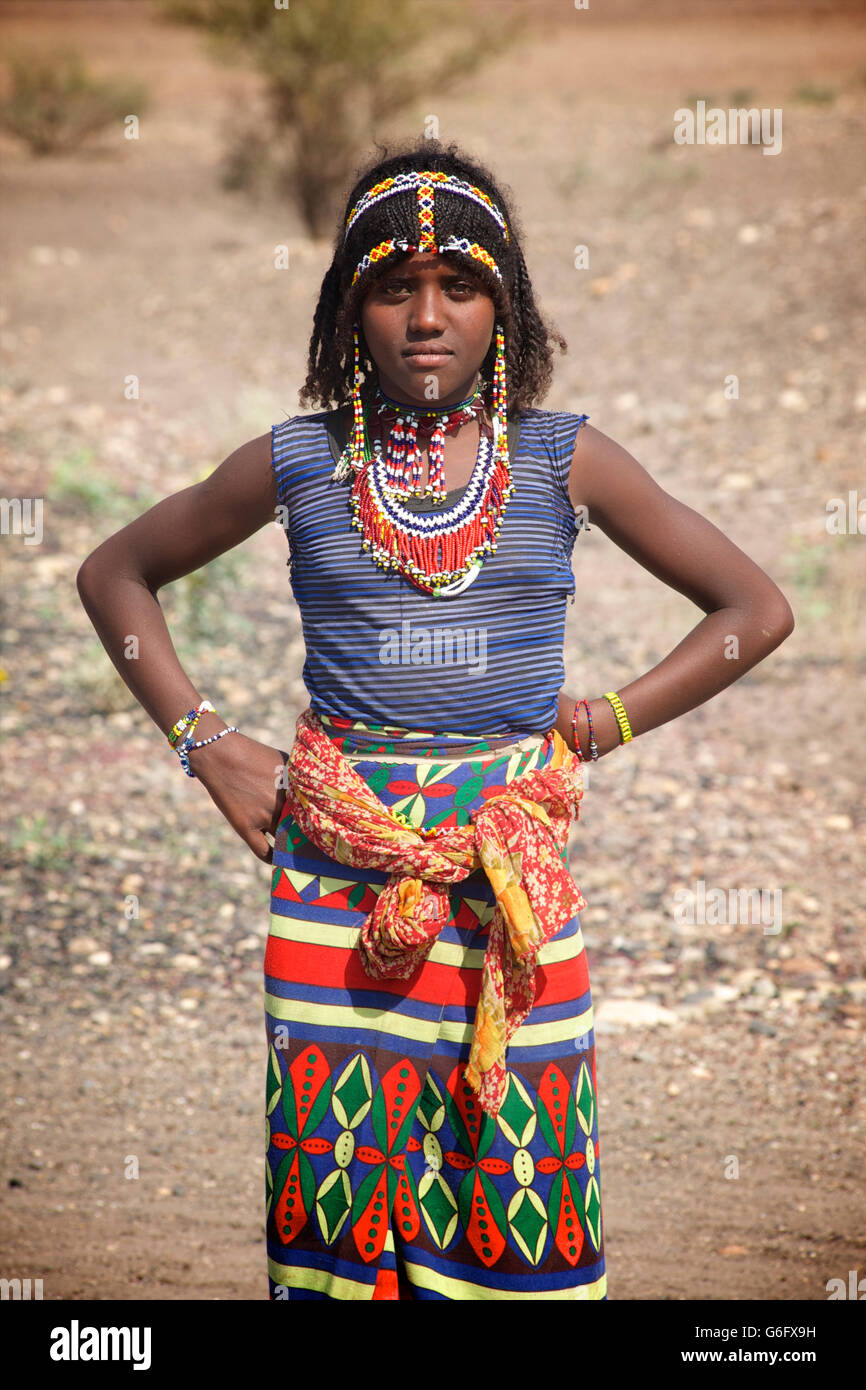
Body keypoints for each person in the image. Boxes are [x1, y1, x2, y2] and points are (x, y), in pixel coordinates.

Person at [77, 138, 795, 1302]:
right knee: (338, 1205)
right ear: (346, 309)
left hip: (506, 880)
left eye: (458, 286)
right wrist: (205, 746)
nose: (425, 315)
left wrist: (602, 721)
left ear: (501, 310)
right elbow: (114, 575)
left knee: (518, 1195)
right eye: (392, 285)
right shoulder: (300, 462)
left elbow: (753, 609)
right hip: (333, 878)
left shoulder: (566, 460)